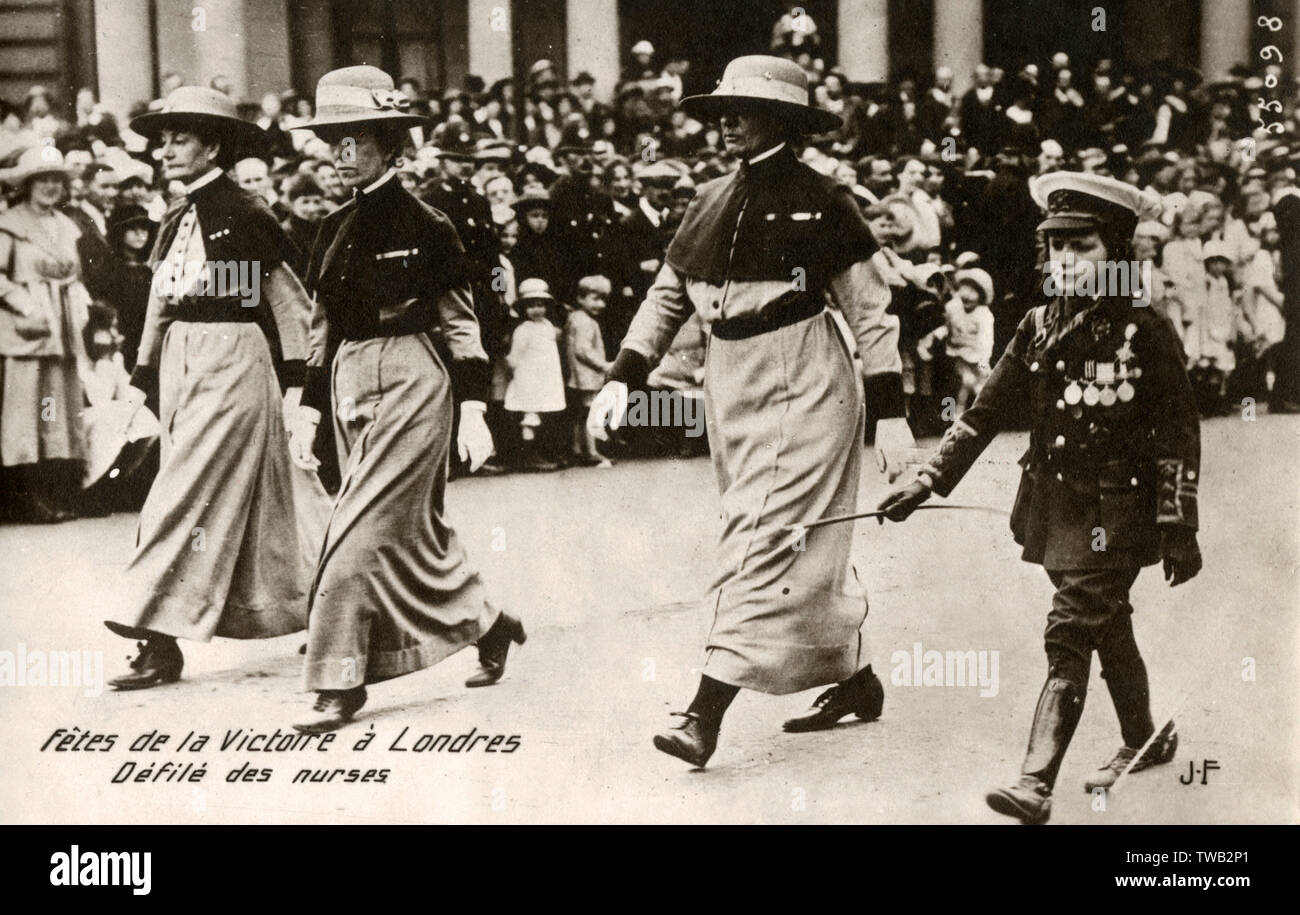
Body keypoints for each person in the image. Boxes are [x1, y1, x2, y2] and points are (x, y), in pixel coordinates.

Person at [587, 55, 913, 769]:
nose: (726, 120)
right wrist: (623, 375)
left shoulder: (826, 199)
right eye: (723, 109)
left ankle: (705, 711)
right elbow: (667, 297)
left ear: (783, 120)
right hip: (730, 380)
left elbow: (871, 311)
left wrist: (891, 412)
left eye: (743, 109)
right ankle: (854, 676)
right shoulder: (707, 196)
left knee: (762, 539)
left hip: (807, 377)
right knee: (787, 536)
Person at [878, 172, 1203, 824]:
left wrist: (1178, 522)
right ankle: (1143, 735)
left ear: (1114, 250)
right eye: (1055, 247)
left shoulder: (1145, 328)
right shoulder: (1035, 325)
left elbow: (1178, 433)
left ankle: (1035, 782)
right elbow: (982, 413)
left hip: (1120, 511)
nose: (1065, 260)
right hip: (1054, 511)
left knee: (1069, 630)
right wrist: (926, 478)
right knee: (1105, 624)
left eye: (1080, 246)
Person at [290, 66, 523, 733]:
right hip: (349, 384)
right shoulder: (331, 228)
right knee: (409, 535)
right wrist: (308, 408)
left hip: (417, 379)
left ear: (390, 146)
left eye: (353, 140)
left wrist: (475, 405)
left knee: (356, 534)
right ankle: (489, 624)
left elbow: (459, 321)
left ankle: (340, 681)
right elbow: (320, 331)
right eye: (331, 140)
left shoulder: (429, 224)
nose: (337, 154)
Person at [103, 87, 329, 690]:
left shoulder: (246, 212)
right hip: (183, 362)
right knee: (284, 498)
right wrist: (141, 380)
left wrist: (298, 387)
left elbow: (289, 306)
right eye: (163, 141)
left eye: (180, 140)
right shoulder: (177, 214)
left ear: (213, 146)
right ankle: (342, 603)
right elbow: (159, 303)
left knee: (182, 493)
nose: (166, 152)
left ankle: (152, 631)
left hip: (233, 359)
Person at [0, 146, 91, 523]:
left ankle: (56, 491)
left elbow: (75, 275)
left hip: (63, 328)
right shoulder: (10, 223)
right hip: (27, 328)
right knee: (25, 411)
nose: (50, 186)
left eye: (56, 179)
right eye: (42, 179)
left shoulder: (66, 225)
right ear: (27, 185)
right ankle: (24, 496)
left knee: (55, 409)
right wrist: (25, 303)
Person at [504, 278, 566, 471]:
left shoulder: (547, 326)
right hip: (529, 380)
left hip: (545, 380)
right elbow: (514, 357)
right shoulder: (523, 330)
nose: (537, 310)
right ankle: (528, 456)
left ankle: (543, 452)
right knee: (530, 417)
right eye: (531, 306)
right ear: (524, 309)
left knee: (544, 414)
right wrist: (515, 375)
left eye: (540, 305)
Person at [565, 275, 613, 466]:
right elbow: (583, 350)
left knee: (581, 414)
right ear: (580, 298)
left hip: (577, 375)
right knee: (591, 412)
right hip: (587, 375)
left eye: (603, 300)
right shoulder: (585, 322)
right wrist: (604, 365)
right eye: (595, 299)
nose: (600, 304)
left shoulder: (575, 318)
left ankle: (577, 449)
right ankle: (592, 451)